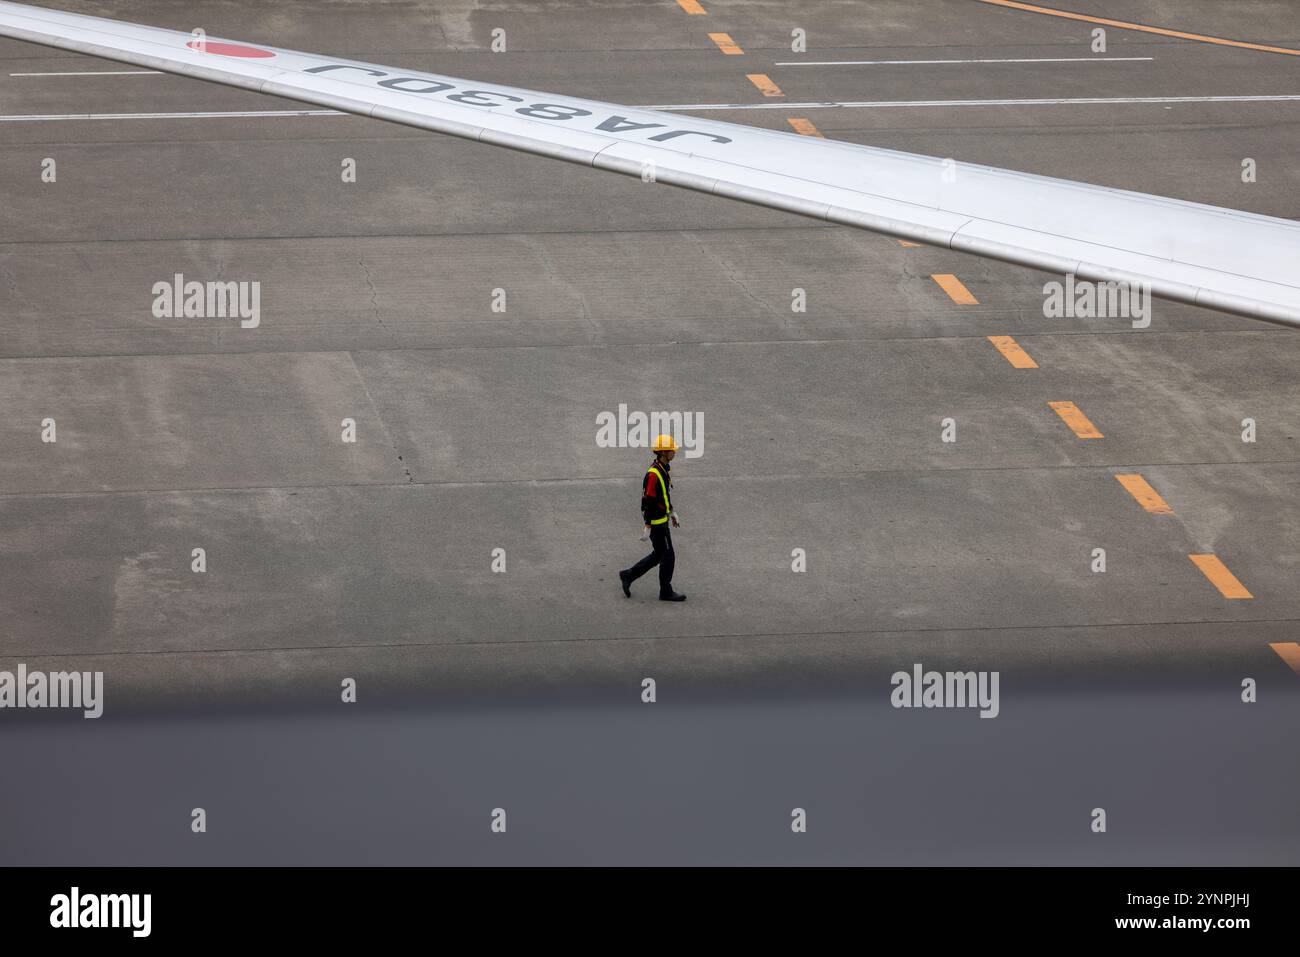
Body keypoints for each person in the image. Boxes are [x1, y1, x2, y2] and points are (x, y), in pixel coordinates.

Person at [619, 434, 686, 601]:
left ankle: (628, 575)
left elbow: (663, 495)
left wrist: (671, 512)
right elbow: (648, 501)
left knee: (659, 555)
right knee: (668, 555)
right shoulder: (654, 474)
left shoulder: (662, 469)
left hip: (661, 521)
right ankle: (665, 591)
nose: (674, 452)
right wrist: (648, 526)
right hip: (657, 524)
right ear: (664, 452)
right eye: (672, 450)